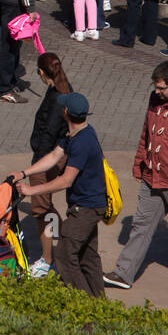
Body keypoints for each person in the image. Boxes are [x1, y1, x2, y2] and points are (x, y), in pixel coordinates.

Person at [15, 91, 107, 298]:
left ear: (66, 112)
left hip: (87, 208)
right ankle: (100, 305)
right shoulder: (75, 134)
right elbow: (54, 156)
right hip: (86, 205)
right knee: (87, 256)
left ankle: (84, 308)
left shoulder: (83, 142)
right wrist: (23, 173)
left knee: (65, 257)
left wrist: (31, 190)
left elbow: (66, 180)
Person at [104, 61, 168, 291]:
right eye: (155, 87)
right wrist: (139, 162)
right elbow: (145, 133)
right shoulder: (155, 99)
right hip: (153, 176)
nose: (156, 92)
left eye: (161, 88)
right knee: (141, 225)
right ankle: (123, 274)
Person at [23, 52, 73, 278]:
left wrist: (36, 165)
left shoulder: (56, 98)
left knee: (40, 210)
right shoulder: (63, 88)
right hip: (54, 156)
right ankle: (66, 244)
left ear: (42, 73)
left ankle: (47, 259)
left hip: (46, 160)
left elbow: (49, 134)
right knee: (47, 207)